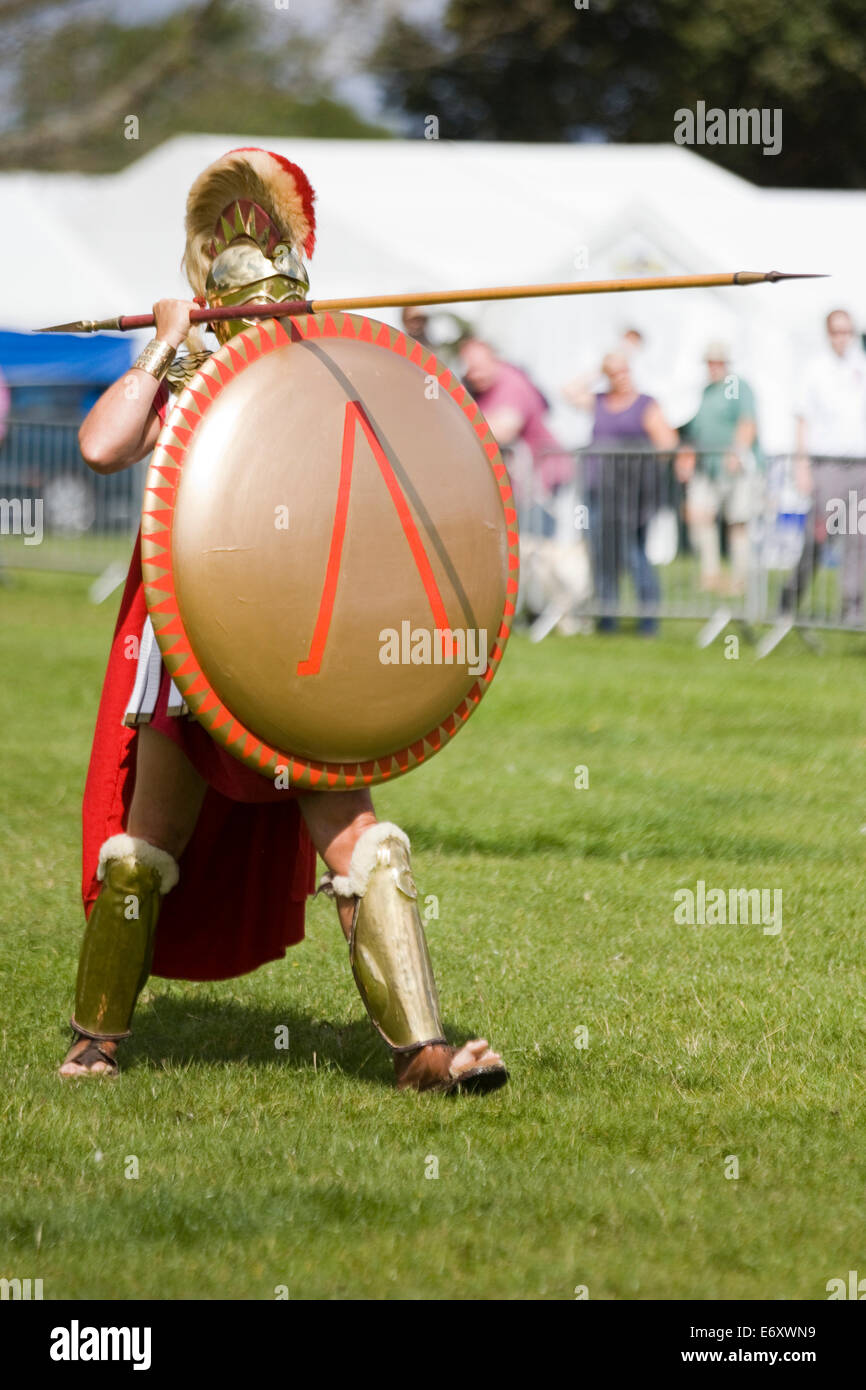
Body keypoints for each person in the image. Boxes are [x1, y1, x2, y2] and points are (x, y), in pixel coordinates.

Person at [59, 147, 506, 1095]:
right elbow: (102, 446)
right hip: (193, 647)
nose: (275, 320)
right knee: (148, 847)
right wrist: (166, 343)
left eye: (284, 306)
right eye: (256, 308)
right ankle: (94, 1039)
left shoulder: (325, 376)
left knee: (364, 840)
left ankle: (422, 1052)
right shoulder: (189, 379)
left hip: (307, 651)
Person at [564, 351, 677, 633]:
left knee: (633, 554)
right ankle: (607, 619)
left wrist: (642, 473)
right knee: (603, 555)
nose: (621, 377)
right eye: (614, 372)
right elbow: (567, 392)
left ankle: (648, 622)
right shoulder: (600, 401)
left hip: (632, 495)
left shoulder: (645, 404)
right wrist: (598, 372)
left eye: (624, 370)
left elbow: (667, 442)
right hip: (599, 489)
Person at [777, 308, 866, 626]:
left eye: (847, 331)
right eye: (836, 331)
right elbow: (803, 419)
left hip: (859, 464)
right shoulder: (814, 370)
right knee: (819, 535)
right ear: (828, 333)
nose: (842, 338)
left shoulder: (861, 366)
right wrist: (802, 466)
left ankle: (852, 609)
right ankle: (789, 597)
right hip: (826, 465)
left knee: (858, 538)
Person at [458, 337, 572, 537]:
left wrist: (463, 424)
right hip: (515, 484)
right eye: (470, 369)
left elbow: (503, 430)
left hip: (539, 481)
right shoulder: (474, 387)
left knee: (533, 545)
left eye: (479, 367)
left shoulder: (512, 383)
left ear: (493, 360)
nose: (475, 375)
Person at [675, 342, 761, 596]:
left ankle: (740, 579)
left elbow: (747, 420)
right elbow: (693, 429)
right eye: (710, 362)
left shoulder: (738, 386)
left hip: (738, 466)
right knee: (702, 518)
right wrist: (686, 459)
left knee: (738, 521)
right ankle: (710, 575)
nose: (713, 367)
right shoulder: (704, 392)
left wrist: (737, 451)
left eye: (717, 362)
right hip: (708, 466)